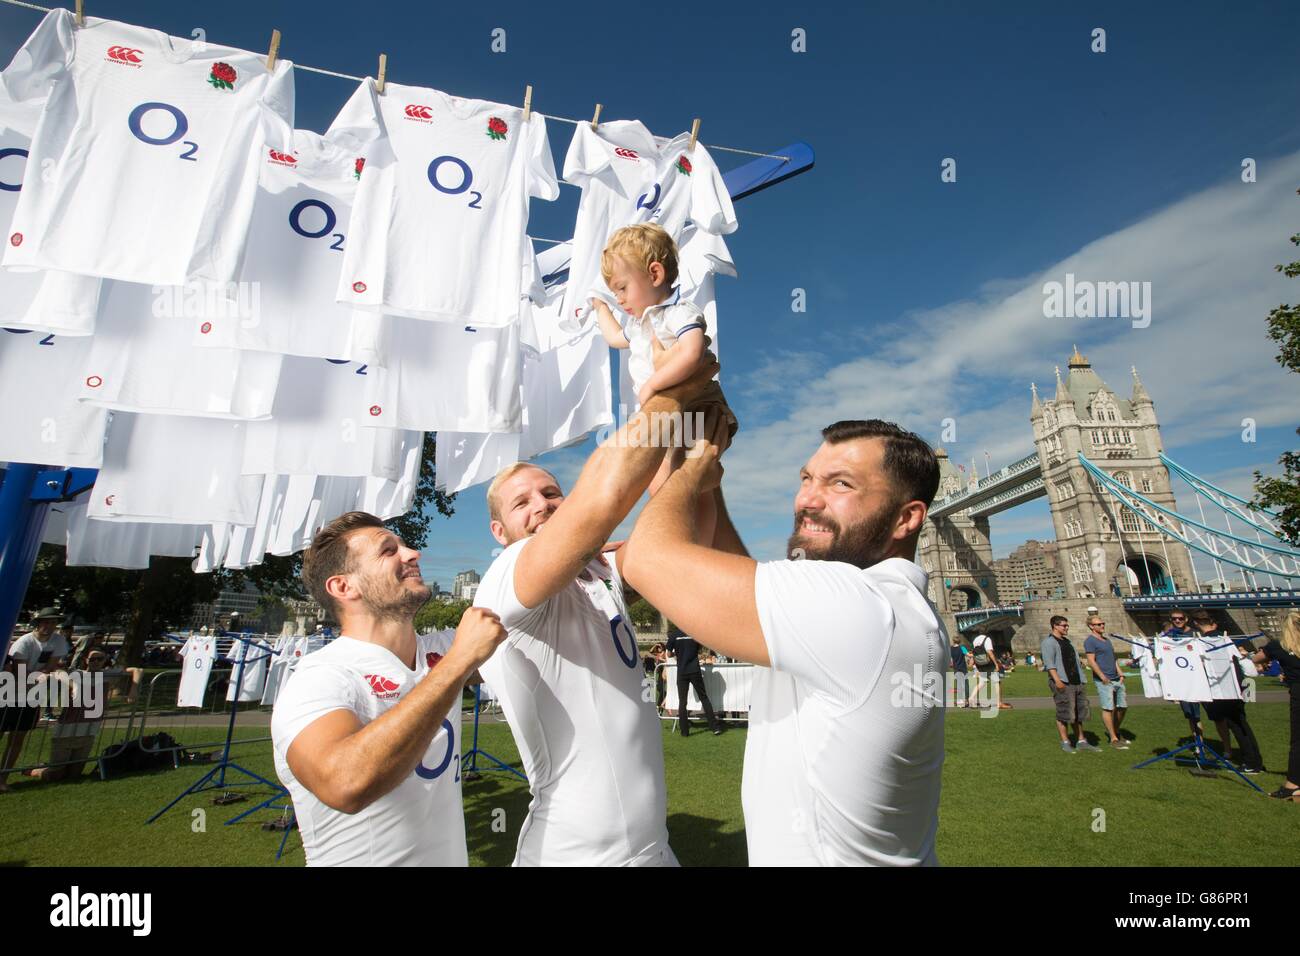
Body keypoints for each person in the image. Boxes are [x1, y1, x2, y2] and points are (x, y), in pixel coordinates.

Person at [622, 416, 947, 866]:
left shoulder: (863, 608)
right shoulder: (889, 605)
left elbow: (644, 558)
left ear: (906, 517)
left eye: (841, 484)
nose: (808, 500)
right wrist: (705, 467)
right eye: (806, 478)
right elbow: (725, 572)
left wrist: (696, 466)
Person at [472, 349, 722, 866]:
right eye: (522, 503)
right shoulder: (508, 572)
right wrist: (673, 393)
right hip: (578, 854)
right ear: (499, 532)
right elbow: (601, 499)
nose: (542, 504)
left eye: (551, 492)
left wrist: (696, 455)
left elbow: (680, 550)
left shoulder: (596, 570)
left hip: (652, 847)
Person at [270, 512, 507, 866]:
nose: (413, 554)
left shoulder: (437, 651)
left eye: (406, 546)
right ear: (344, 587)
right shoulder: (321, 677)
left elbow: (529, 606)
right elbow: (345, 783)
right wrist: (459, 663)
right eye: (388, 550)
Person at [591, 223, 736, 545]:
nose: (619, 299)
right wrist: (600, 308)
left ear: (654, 274)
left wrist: (653, 385)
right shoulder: (639, 323)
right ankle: (681, 539)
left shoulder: (677, 312)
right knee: (659, 481)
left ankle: (699, 545)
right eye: (614, 293)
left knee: (693, 479)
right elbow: (615, 338)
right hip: (667, 414)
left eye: (622, 288)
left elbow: (692, 352)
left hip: (697, 407)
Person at [1192, 611, 1262, 773]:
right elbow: (1245, 666)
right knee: (1241, 724)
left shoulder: (1201, 643)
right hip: (1239, 686)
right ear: (1214, 623)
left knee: (1237, 726)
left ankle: (1252, 763)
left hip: (1224, 689)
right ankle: (1255, 760)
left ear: (1196, 624)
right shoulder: (1226, 639)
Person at [1251, 610, 1300, 801]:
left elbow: (1256, 659)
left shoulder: (1278, 646)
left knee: (1298, 742)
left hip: (1298, 692)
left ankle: (1292, 785)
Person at [1040, 616, 1099, 753]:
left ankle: (1081, 740)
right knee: (1064, 713)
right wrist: (1058, 681)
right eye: (1063, 626)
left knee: (1079, 713)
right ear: (1055, 626)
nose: (1066, 628)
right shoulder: (1049, 643)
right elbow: (1050, 664)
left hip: (1077, 681)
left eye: (1067, 625)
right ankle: (1065, 741)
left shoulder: (1068, 642)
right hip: (1063, 682)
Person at [666, 624, 724, 736]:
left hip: (682, 671)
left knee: (682, 702)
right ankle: (714, 727)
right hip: (694, 670)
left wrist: (676, 653)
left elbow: (668, 653)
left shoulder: (674, 635)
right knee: (704, 698)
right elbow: (698, 649)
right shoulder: (694, 633)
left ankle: (684, 732)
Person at [1083, 615, 1128, 749]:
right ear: (1091, 626)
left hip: (1116, 678)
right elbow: (1091, 661)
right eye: (1098, 624)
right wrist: (1102, 676)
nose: (1102, 626)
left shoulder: (1107, 641)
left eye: (1103, 623)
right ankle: (1113, 738)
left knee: (1122, 707)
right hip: (1104, 680)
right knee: (1108, 707)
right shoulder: (1090, 641)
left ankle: (1115, 730)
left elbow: (1113, 659)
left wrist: (1120, 672)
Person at [1160, 609, 1204, 740]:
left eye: (1180, 618)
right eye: (1174, 619)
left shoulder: (1195, 634)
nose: (1177, 620)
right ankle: (1198, 743)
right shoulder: (1169, 637)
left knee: (1215, 716)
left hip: (1199, 678)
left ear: (1186, 619)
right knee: (1192, 716)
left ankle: (1225, 749)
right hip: (1182, 680)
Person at [971, 632, 1010, 709]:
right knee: (997, 682)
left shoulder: (975, 640)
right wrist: (996, 664)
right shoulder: (987, 639)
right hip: (987, 663)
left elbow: (975, 652)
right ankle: (999, 703)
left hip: (979, 663)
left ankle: (971, 698)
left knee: (982, 682)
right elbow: (989, 652)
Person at [950, 636, 971, 708]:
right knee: (966, 684)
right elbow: (968, 655)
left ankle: (960, 701)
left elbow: (951, 660)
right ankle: (967, 700)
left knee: (959, 685)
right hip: (963, 668)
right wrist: (974, 655)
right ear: (960, 641)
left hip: (956, 669)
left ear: (953, 641)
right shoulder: (962, 648)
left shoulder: (951, 648)